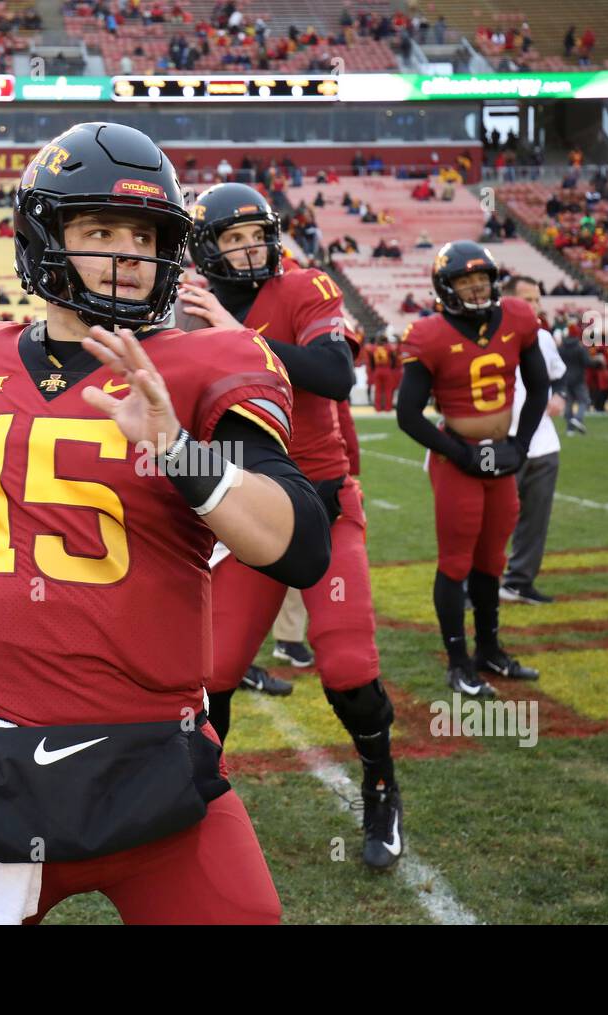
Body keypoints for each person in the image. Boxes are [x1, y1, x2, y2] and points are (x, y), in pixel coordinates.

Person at [0, 123, 330, 925]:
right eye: (100, 231)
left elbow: (298, 543)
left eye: (146, 234)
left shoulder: (206, 361)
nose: (128, 253)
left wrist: (180, 454)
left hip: (157, 753)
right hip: (2, 757)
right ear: (44, 238)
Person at [179, 182, 401, 869]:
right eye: (231, 239)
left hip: (325, 508)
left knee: (347, 669)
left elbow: (336, 373)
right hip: (248, 510)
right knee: (209, 673)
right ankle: (202, 797)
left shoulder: (305, 286)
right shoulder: (186, 307)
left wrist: (231, 330)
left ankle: (381, 782)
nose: (248, 249)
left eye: (256, 235)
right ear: (205, 250)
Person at [396, 241, 548, 699]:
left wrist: (519, 446)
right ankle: (458, 663)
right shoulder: (429, 333)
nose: (476, 287)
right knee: (456, 562)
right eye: (465, 281)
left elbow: (539, 386)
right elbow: (408, 414)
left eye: (482, 279)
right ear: (446, 288)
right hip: (457, 460)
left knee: (492, 560)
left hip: (501, 456)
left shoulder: (519, 317)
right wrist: (459, 453)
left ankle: (489, 650)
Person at [500, 278, 567, 605]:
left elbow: (558, 376)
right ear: (508, 301)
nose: (536, 305)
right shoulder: (487, 337)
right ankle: (475, 585)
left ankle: (519, 582)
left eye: (538, 299)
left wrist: (560, 398)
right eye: (528, 299)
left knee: (535, 519)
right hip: (497, 442)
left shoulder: (543, 338)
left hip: (541, 442)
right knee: (490, 520)